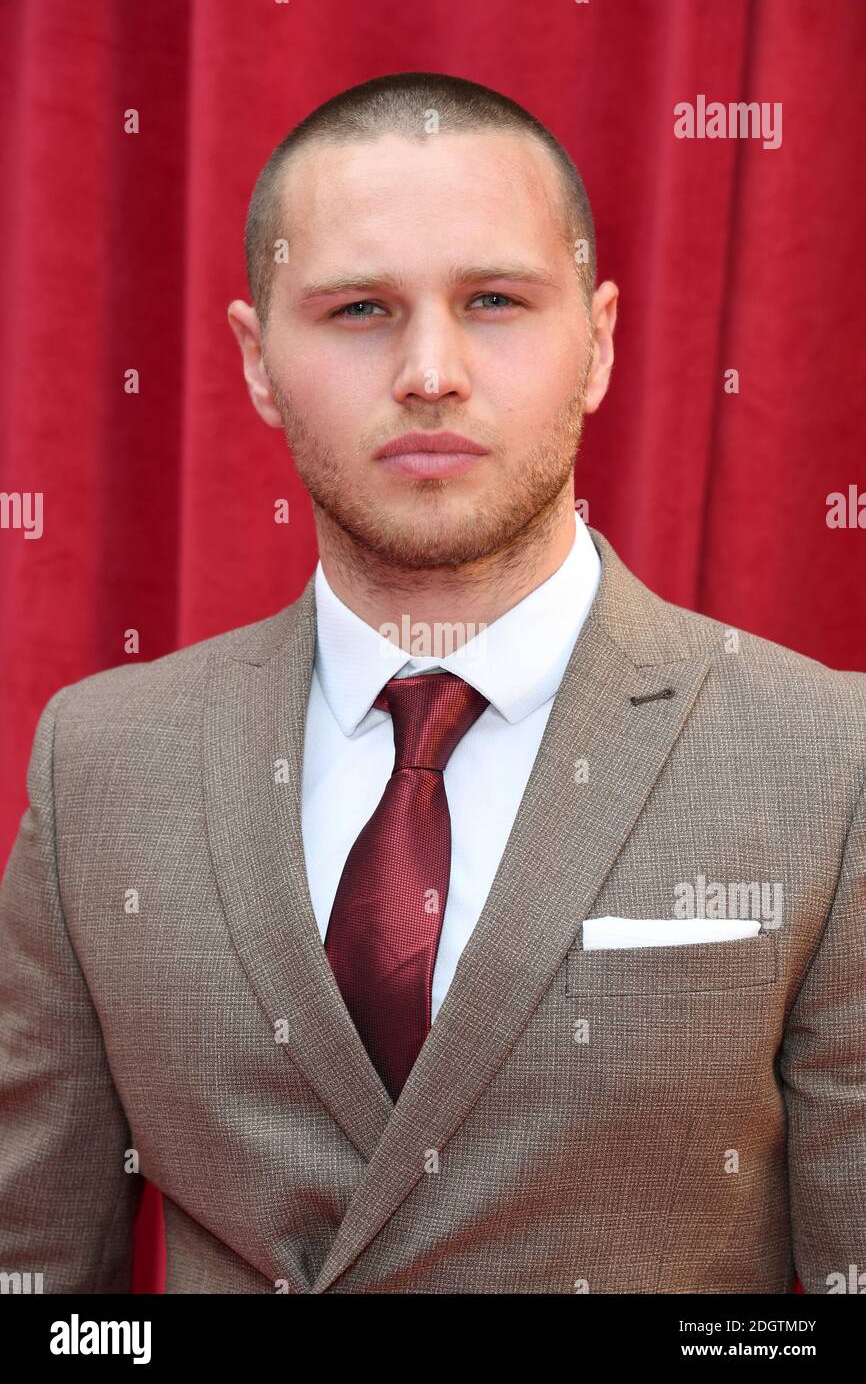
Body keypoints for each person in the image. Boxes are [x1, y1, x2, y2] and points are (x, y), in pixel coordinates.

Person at [1, 71, 863, 1295]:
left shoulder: (830, 760)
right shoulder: (97, 763)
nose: (429, 370)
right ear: (255, 360)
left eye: (495, 300)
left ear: (598, 342)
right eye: (358, 309)